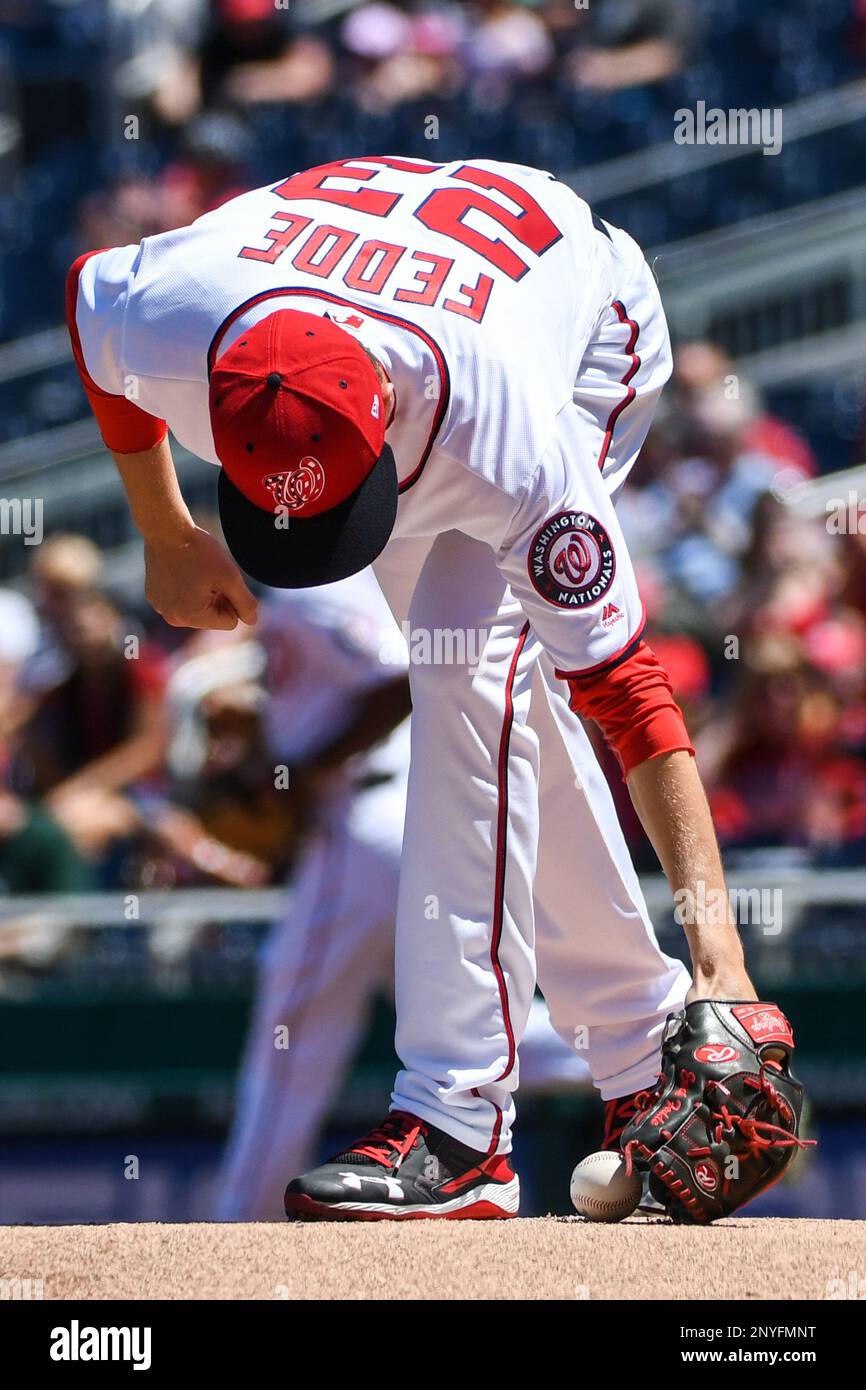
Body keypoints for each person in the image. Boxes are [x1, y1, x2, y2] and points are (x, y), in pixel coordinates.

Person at [67, 155, 758, 1221]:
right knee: (488, 694)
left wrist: (725, 961)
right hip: (387, 269)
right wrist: (164, 530)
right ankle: (639, 1052)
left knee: (463, 656)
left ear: (384, 431)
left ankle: (459, 1123)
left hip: (578, 327)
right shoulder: (173, 310)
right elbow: (84, 301)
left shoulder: (504, 431)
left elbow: (626, 686)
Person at [215, 568, 590, 1221]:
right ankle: (669, 1064)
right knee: (469, 1028)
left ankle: (237, 1225)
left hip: (368, 823)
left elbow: (400, 676)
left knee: (291, 1030)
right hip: (402, 818)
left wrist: (303, 771)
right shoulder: (320, 585)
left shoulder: (313, 584)